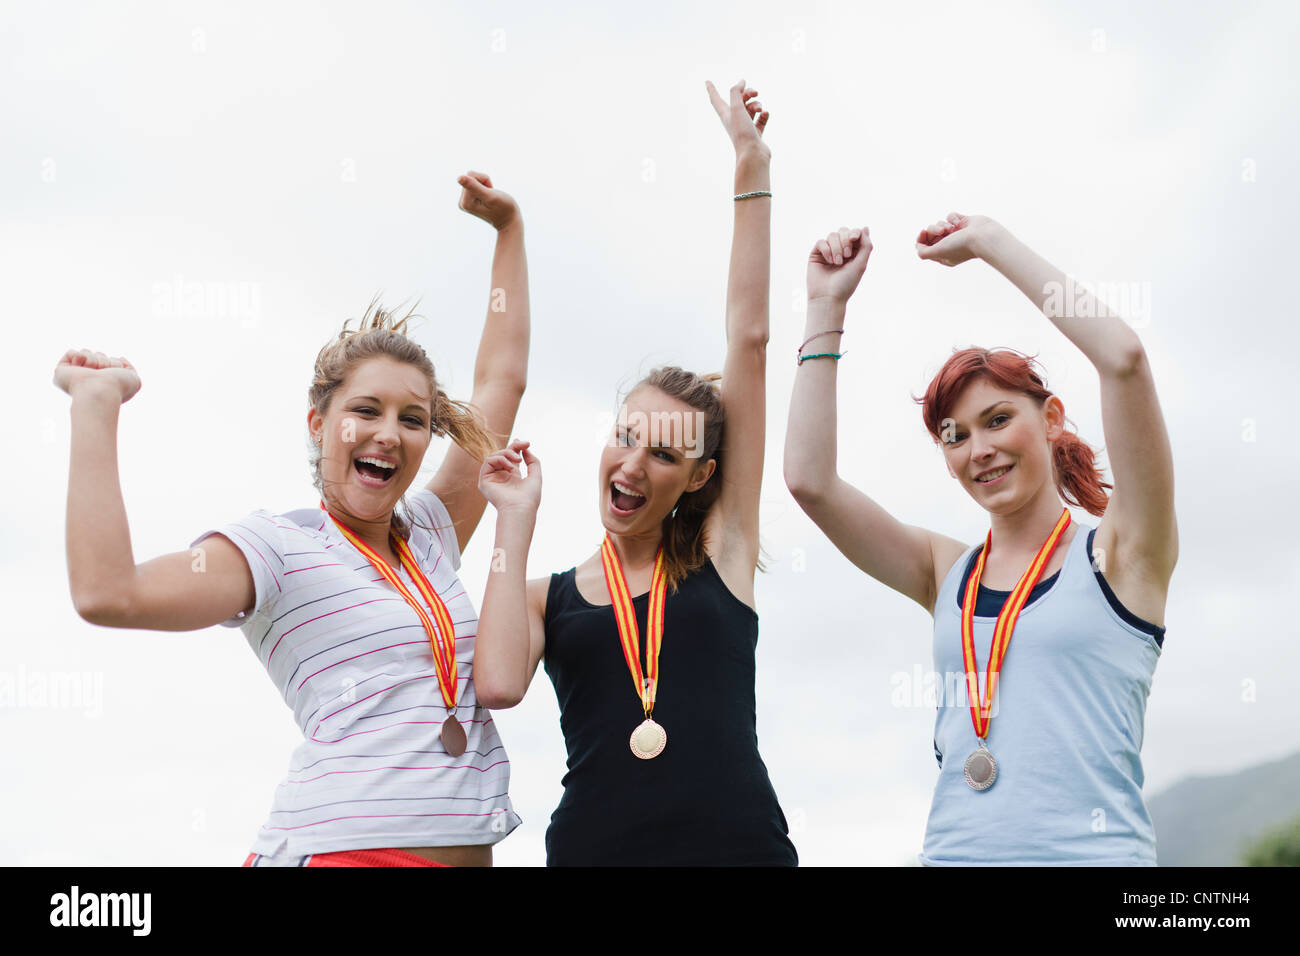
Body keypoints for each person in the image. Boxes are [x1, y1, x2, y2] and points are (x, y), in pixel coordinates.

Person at [55, 171, 531, 867]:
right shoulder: (277, 548)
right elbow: (108, 593)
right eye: (365, 410)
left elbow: (502, 381)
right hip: (341, 855)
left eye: (414, 420)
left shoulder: (429, 535)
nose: (390, 434)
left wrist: (509, 230)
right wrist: (96, 406)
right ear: (319, 421)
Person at [471, 79, 798, 865]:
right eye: (626, 436)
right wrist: (512, 521)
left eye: (664, 452)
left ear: (698, 476)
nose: (633, 463)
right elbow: (497, 685)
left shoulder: (724, 553)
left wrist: (750, 169)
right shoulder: (543, 594)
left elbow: (748, 341)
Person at [783, 213, 1177, 865]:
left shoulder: (1123, 554)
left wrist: (992, 244)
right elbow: (808, 481)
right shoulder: (947, 572)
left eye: (998, 419)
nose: (980, 449)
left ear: (1050, 418)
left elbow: (1125, 360)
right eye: (955, 434)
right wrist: (825, 307)